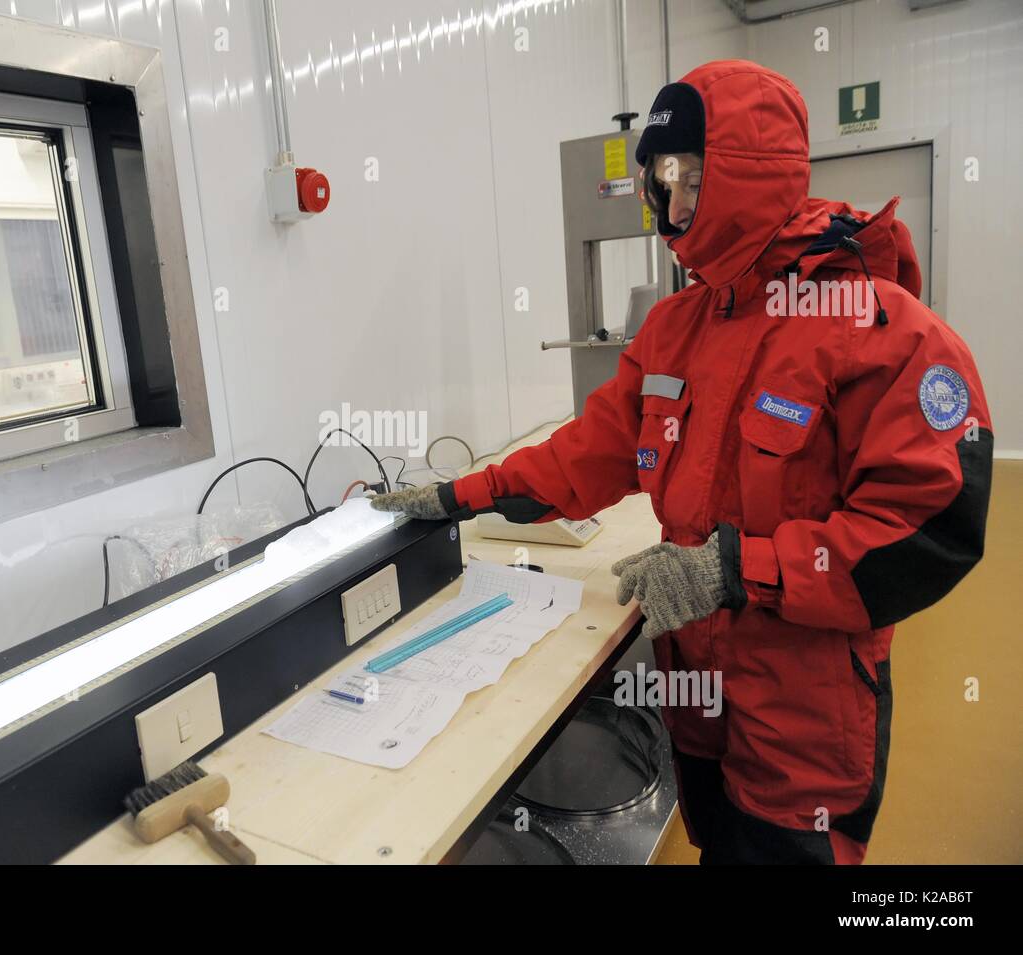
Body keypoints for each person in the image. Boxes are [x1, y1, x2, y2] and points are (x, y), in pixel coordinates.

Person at [370, 60, 992, 864]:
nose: (676, 204)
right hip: (698, 694)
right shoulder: (673, 329)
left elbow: (931, 526)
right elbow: (587, 454)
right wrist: (462, 493)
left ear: (752, 175)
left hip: (806, 713)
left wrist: (736, 570)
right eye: (661, 180)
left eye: (694, 176)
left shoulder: (877, 327)